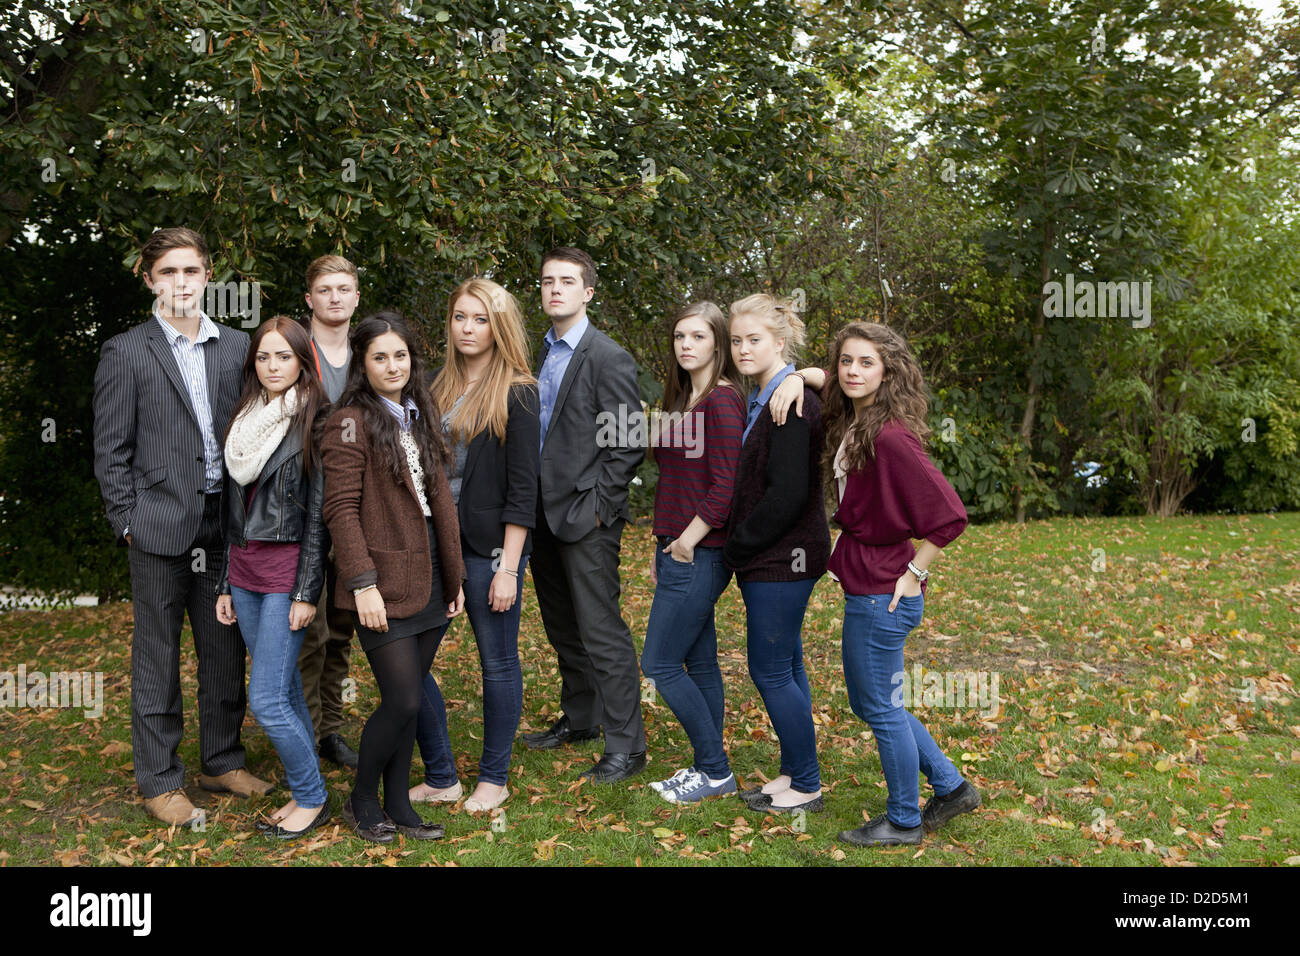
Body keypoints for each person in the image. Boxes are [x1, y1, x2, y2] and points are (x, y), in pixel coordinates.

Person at [93, 226, 270, 827]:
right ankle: (160, 778)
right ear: (149, 279)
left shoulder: (237, 346)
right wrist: (127, 521)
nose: (180, 283)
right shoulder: (126, 351)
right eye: (167, 272)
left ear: (207, 275)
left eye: (190, 271)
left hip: (225, 524)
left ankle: (221, 760)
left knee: (223, 646)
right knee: (157, 655)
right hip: (157, 526)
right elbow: (110, 449)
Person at [814, 322, 980, 846]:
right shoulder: (856, 423)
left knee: (880, 707)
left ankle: (905, 820)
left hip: (885, 591)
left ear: (887, 372)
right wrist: (804, 377)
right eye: (846, 362)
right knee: (874, 703)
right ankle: (951, 788)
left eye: (866, 363)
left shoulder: (890, 436)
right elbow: (819, 381)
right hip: (867, 581)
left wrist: (916, 573)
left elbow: (949, 516)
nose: (853, 371)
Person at [320, 312, 465, 843]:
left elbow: (439, 499)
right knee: (403, 699)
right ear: (362, 362)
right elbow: (340, 510)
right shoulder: (349, 420)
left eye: (400, 355)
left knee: (406, 702)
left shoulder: (416, 411)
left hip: (430, 569)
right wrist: (362, 583)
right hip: (381, 580)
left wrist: (455, 577)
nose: (392, 365)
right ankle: (363, 801)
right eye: (379, 356)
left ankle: (399, 804)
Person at [412, 278, 539, 814]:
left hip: (491, 552)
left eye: (480, 319)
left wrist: (509, 568)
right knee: (409, 665)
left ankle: (494, 776)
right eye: (460, 317)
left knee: (497, 662)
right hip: (433, 546)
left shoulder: (518, 390)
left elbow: (524, 488)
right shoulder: (434, 385)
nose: (468, 328)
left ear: (499, 326)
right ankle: (442, 776)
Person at [521, 247, 647, 782]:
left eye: (567, 281)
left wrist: (600, 504)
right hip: (539, 516)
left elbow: (629, 440)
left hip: (585, 515)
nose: (555, 289)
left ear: (587, 292)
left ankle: (627, 746)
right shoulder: (537, 354)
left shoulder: (607, 356)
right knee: (562, 626)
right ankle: (581, 718)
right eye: (548, 281)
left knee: (602, 631)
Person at [214, 316, 332, 839]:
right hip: (244, 572)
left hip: (287, 574)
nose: (272, 366)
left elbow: (319, 516)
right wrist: (222, 581)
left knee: (264, 700)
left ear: (302, 361)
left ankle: (311, 797)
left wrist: (308, 591)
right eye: (263, 357)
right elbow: (231, 509)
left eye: (283, 356)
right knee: (280, 690)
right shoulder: (244, 416)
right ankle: (306, 788)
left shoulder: (316, 420)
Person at [723, 293, 830, 815]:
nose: (743, 349)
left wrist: (737, 543)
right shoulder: (767, 394)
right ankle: (795, 770)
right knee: (787, 665)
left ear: (780, 343)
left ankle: (806, 784)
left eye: (754, 340)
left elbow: (787, 494)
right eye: (737, 340)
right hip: (772, 555)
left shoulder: (794, 400)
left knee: (769, 670)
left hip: (782, 557)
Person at [639, 302, 745, 803]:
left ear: (717, 344)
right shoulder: (686, 399)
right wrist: (661, 540)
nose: (686, 345)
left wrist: (684, 541)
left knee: (659, 663)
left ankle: (715, 770)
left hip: (700, 552)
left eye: (698, 337)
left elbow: (726, 485)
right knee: (699, 664)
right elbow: (679, 481)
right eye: (680, 336)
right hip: (677, 547)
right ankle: (709, 768)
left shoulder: (722, 401)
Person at [298, 255, 362, 770]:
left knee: (341, 628)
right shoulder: (292, 352)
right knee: (309, 630)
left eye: (344, 288)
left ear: (356, 297)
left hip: (356, 507)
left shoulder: (370, 355)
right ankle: (305, 730)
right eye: (325, 289)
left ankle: (332, 731)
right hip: (300, 508)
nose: (335, 297)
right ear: (310, 299)